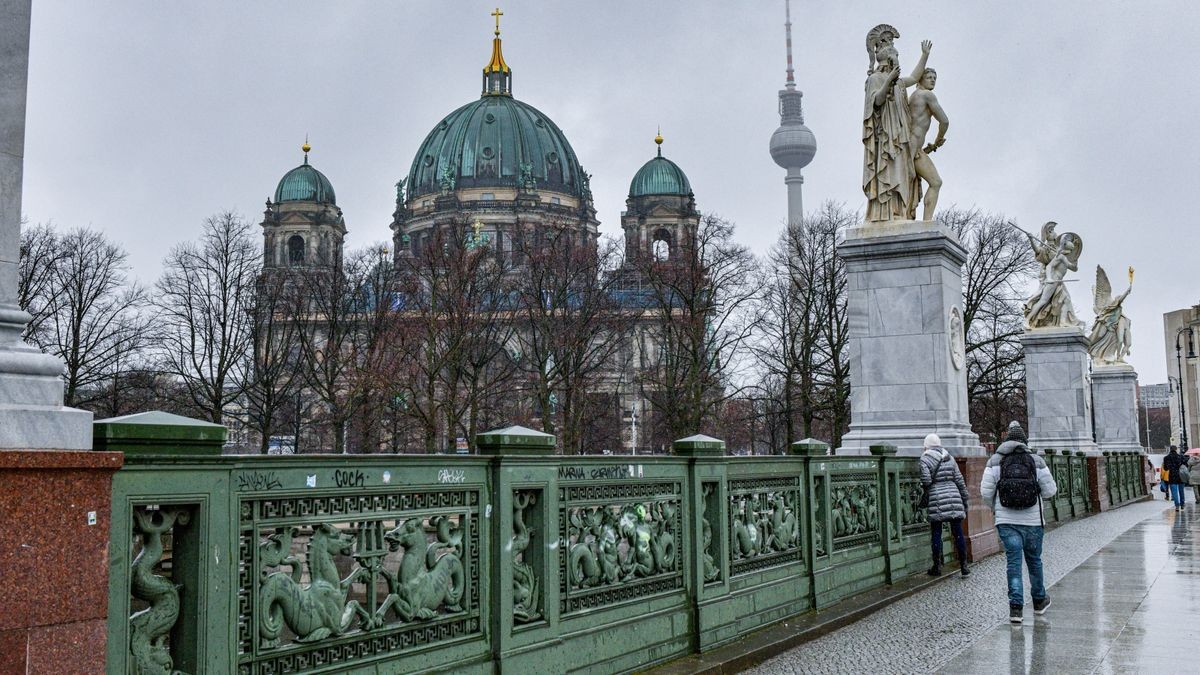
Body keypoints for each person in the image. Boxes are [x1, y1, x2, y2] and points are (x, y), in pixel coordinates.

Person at [981, 421, 1057, 624]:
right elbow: (1050, 491)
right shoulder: (1036, 460)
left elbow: (985, 492)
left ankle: (1016, 609)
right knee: (1034, 561)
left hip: (1007, 522)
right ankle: (1039, 601)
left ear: (1007, 440)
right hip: (1033, 522)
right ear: (1024, 441)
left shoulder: (995, 461)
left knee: (1013, 563)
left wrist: (996, 508)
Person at [919, 433, 970, 577]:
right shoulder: (949, 457)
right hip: (954, 495)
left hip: (936, 497)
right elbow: (959, 479)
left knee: (936, 532)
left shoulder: (925, 458)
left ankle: (937, 566)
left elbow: (926, 481)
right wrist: (964, 498)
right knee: (958, 532)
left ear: (926, 446)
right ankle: (964, 565)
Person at [1162, 446, 1188, 511]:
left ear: (1170, 449)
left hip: (1172, 476)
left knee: (1174, 492)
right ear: (1176, 449)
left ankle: (1177, 505)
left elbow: (1165, 468)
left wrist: (1171, 467)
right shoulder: (1180, 457)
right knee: (1181, 491)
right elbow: (1185, 464)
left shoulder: (1166, 458)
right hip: (1180, 476)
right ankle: (1182, 504)